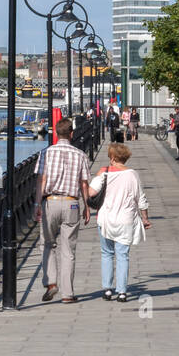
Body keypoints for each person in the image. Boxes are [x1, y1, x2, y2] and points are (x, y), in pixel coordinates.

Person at [35, 116, 90, 303]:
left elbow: (41, 180)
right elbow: (84, 184)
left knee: (47, 244)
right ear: (72, 133)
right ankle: (68, 293)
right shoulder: (80, 154)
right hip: (71, 202)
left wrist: (37, 204)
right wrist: (87, 207)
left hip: (50, 201)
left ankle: (51, 283)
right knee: (69, 249)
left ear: (57, 133)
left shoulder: (46, 153)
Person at [88, 143, 151, 301]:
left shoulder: (105, 172)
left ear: (113, 157)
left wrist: (97, 175)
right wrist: (145, 218)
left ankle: (107, 289)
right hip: (126, 220)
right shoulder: (133, 174)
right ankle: (122, 292)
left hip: (106, 220)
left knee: (107, 253)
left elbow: (91, 192)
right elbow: (141, 199)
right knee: (123, 255)